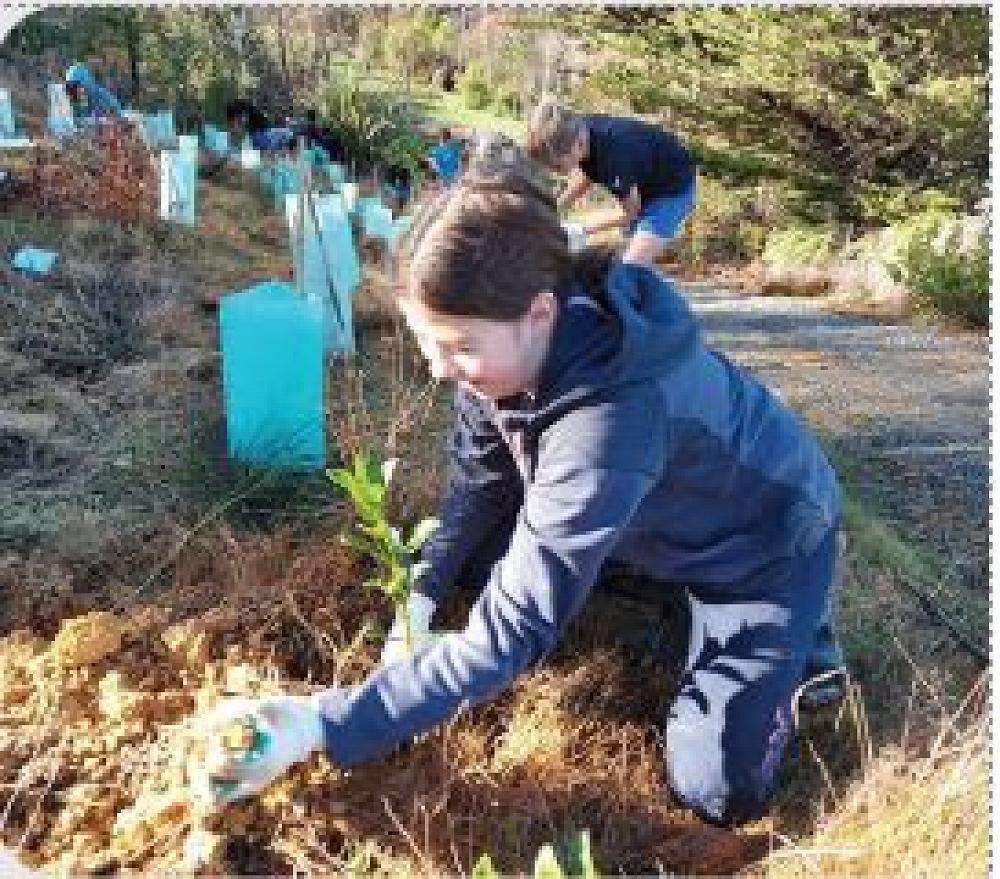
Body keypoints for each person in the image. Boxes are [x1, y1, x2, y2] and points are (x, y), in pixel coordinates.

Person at [193, 169, 847, 827]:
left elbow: (513, 633)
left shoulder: (609, 419)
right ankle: (674, 600)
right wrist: (421, 596)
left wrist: (322, 723)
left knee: (715, 792)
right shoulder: (502, 361)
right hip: (650, 512)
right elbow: (477, 487)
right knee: (478, 563)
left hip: (765, 547)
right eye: (426, 339)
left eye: (458, 346)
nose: (439, 368)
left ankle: (795, 640)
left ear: (540, 312)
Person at [527, 96, 695, 268]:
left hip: (672, 191)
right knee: (627, 261)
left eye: (557, 165)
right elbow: (590, 173)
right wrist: (555, 208)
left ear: (578, 144)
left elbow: (632, 213)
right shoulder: (577, 129)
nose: (555, 171)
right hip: (641, 181)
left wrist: (581, 230)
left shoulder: (613, 157)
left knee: (630, 267)